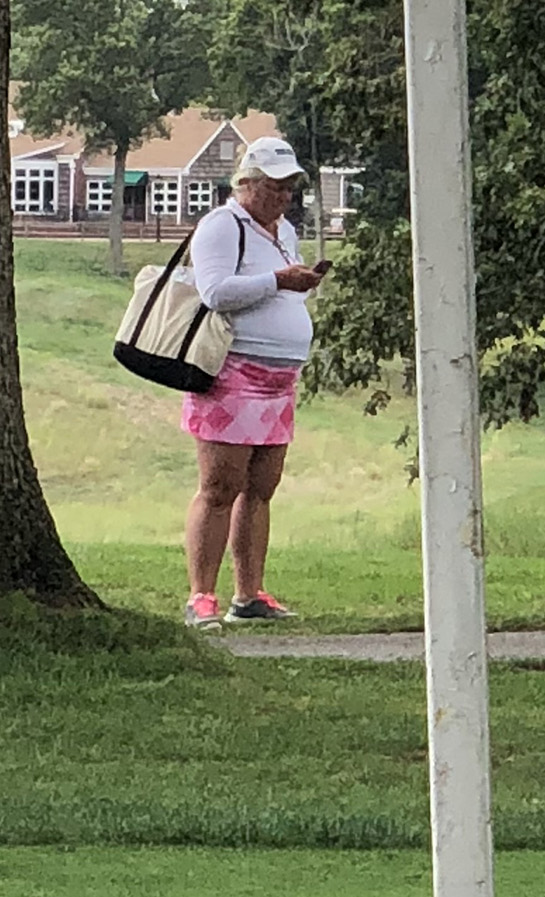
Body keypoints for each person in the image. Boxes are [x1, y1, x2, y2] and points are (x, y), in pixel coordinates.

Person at [182, 136, 323, 629]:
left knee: (261, 487)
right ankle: (202, 596)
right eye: (274, 186)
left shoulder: (284, 231)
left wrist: (296, 285)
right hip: (232, 373)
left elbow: (283, 289)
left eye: (290, 187)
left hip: (278, 378)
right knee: (220, 486)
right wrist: (279, 282)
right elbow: (216, 291)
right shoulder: (223, 226)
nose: (284, 196)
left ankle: (250, 592)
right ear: (246, 184)